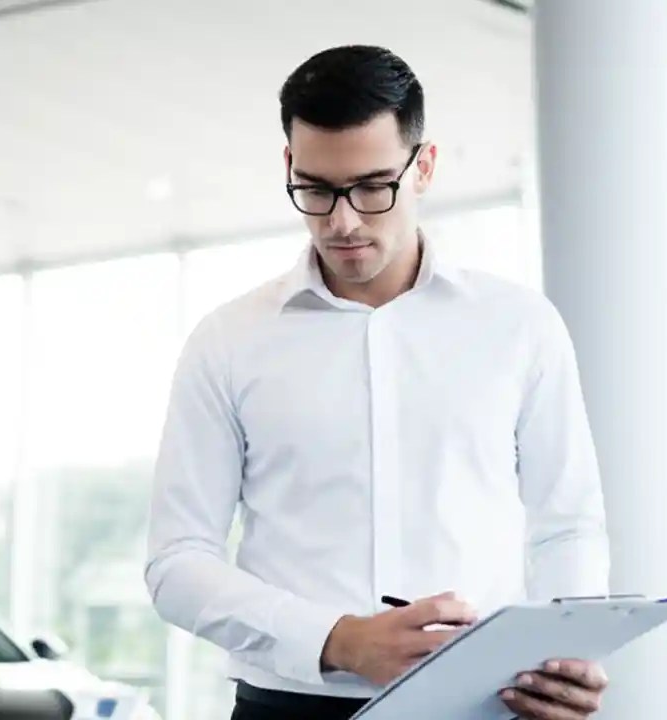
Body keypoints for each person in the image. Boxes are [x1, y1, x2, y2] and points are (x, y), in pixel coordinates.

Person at [145, 45, 611, 720]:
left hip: (485, 707)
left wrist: (570, 654)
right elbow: (177, 561)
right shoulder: (229, 341)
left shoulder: (519, 326)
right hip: (291, 709)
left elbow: (567, 524)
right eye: (316, 189)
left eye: (371, 187)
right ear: (288, 167)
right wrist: (336, 640)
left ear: (422, 166)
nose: (342, 221)